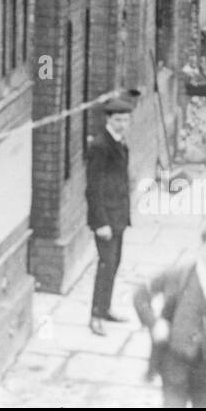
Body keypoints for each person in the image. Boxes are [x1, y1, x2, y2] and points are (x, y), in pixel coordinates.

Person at [134, 225, 206, 408]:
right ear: (202, 247)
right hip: (175, 361)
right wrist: (154, 323)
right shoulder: (177, 275)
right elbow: (141, 295)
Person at [85, 94, 134, 335]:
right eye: (117, 120)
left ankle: (105, 308)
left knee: (114, 263)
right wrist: (101, 222)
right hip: (106, 219)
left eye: (125, 120)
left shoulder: (120, 142)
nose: (122, 124)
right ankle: (96, 315)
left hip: (118, 217)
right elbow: (93, 188)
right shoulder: (100, 146)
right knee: (106, 264)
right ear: (108, 119)